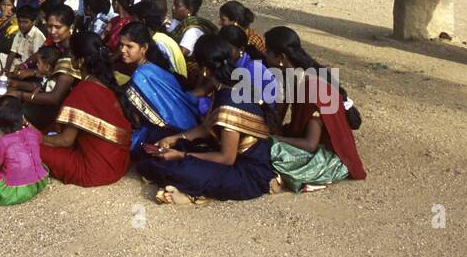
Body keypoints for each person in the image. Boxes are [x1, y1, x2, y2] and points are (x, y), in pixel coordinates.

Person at [138, 32, 276, 204]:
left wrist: (181, 155)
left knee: (172, 165)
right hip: (230, 158)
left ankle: (191, 193)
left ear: (205, 69)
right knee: (161, 145)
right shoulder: (225, 86)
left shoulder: (229, 99)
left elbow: (227, 158)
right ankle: (185, 188)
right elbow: (205, 128)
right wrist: (175, 138)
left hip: (247, 173)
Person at [264, 26, 366, 192]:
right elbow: (278, 118)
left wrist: (274, 138)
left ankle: (287, 179)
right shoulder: (293, 77)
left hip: (328, 160)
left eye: (267, 51)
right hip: (310, 145)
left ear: (280, 57)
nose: (265, 55)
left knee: (268, 148)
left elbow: (310, 144)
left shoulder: (313, 89)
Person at [39, 32, 132, 187]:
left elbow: (65, 141)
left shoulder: (84, 89)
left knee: (27, 147)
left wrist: (36, 139)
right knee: (48, 132)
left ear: (79, 61)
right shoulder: (105, 80)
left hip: (95, 170)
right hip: (119, 163)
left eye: (72, 56)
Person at [120, 22, 200, 151]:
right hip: (188, 125)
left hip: (170, 131)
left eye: (129, 46)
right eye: (121, 45)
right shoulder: (156, 67)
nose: (122, 50)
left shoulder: (140, 75)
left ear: (144, 48)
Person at [6, 4, 81, 129]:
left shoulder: (71, 55)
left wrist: (20, 94)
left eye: (58, 27)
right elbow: (40, 54)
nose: (52, 31)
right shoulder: (56, 41)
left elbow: (55, 98)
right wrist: (25, 65)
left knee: (11, 114)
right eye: (50, 26)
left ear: (71, 27)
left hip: (63, 105)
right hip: (47, 87)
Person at [0, 95, 49, 206]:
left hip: (14, 193)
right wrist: (26, 123)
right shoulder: (33, 133)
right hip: (38, 182)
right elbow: (41, 138)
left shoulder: (2, 142)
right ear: (22, 116)